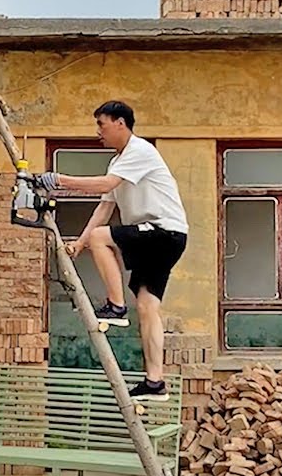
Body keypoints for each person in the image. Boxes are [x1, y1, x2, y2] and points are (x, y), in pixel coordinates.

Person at [33, 101, 188, 402]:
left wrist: (59, 180)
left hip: (163, 232)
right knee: (147, 307)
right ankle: (155, 382)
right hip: (163, 236)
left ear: (120, 123)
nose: (98, 133)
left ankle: (115, 306)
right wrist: (80, 242)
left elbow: (105, 186)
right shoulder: (118, 163)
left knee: (103, 238)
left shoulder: (139, 151)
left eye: (101, 125)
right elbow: (105, 207)